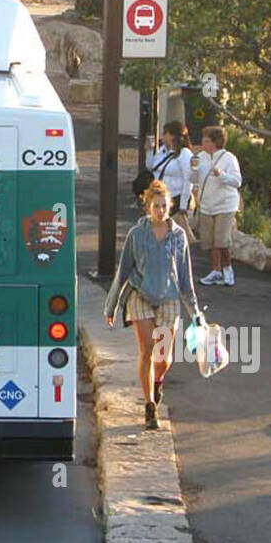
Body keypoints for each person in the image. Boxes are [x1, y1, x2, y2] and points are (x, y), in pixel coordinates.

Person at [103, 180, 200, 431]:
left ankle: (158, 381)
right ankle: (149, 405)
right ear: (147, 207)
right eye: (156, 206)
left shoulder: (178, 236)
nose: (160, 210)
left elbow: (185, 277)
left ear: (170, 206)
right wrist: (111, 306)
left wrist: (195, 313)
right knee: (146, 350)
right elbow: (123, 270)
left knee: (163, 357)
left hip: (168, 298)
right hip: (141, 296)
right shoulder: (137, 234)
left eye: (164, 206)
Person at [194, 125, 243, 287]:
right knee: (209, 241)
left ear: (215, 143)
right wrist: (192, 170)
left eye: (207, 140)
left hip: (225, 205)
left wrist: (221, 175)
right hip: (207, 204)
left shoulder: (229, 158)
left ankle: (228, 270)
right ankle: (215, 271)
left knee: (221, 240)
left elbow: (237, 181)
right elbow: (192, 178)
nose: (203, 143)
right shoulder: (200, 157)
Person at [144, 121, 195, 244]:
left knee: (170, 234)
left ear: (172, 136)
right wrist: (149, 152)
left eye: (165, 133)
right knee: (157, 230)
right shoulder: (162, 151)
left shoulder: (184, 154)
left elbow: (189, 179)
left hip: (175, 198)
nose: (162, 136)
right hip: (159, 195)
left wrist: (183, 205)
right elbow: (151, 167)